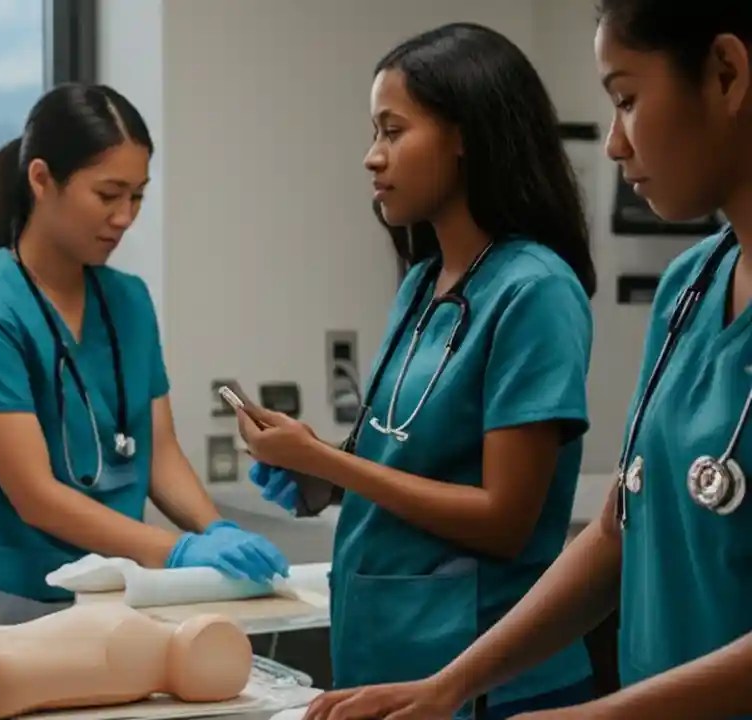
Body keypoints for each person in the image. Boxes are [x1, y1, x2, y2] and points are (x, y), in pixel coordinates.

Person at [297, 2, 752, 719]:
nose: (612, 144)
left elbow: (508, 517)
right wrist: (448, 685)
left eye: (627, 99)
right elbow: (615, 529)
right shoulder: (689, 290)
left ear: (726, 74)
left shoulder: (533, 287)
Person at [234, 23, 600, 719]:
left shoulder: (535, 290)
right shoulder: (424, 283)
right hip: (391, 663)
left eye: (392, 131)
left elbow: (504, 520)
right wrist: (319, 477)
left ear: (465, 134)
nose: (372, 158)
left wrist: (334, 465)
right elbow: (416, 462)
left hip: (492, 683)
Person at [0, 83, 290, 603]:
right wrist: (175, 552)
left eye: (137, 196)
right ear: (41, 180)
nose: (124, 216)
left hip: (111, 595)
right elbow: (37, 497)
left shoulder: (129, 302)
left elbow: (158, 454)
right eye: (107, 194)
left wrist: (215, 531)